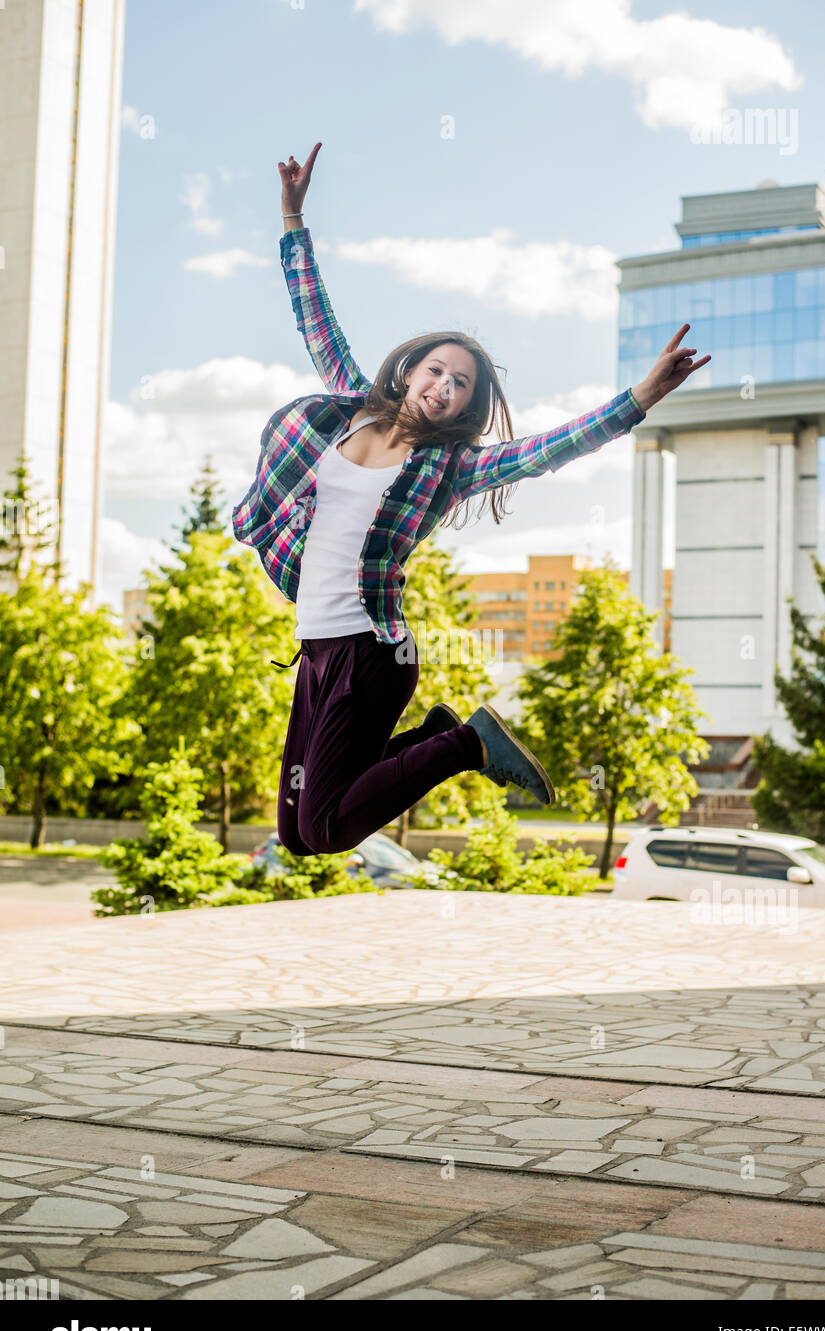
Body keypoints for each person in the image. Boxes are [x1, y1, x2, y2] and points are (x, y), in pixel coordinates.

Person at [232, 141, 710, 858]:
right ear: (409, 370)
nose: (443, 386)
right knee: (297, 837)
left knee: (328, 829)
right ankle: (434, 737)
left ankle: (465, 743)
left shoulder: (448, 467)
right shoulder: (346, 408)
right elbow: (314, 320)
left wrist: (639, 396)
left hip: (371, 654)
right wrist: (291, 219)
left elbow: (551, 450)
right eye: (436, 370)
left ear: (465, 404)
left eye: (459, 384)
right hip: (315, 653)